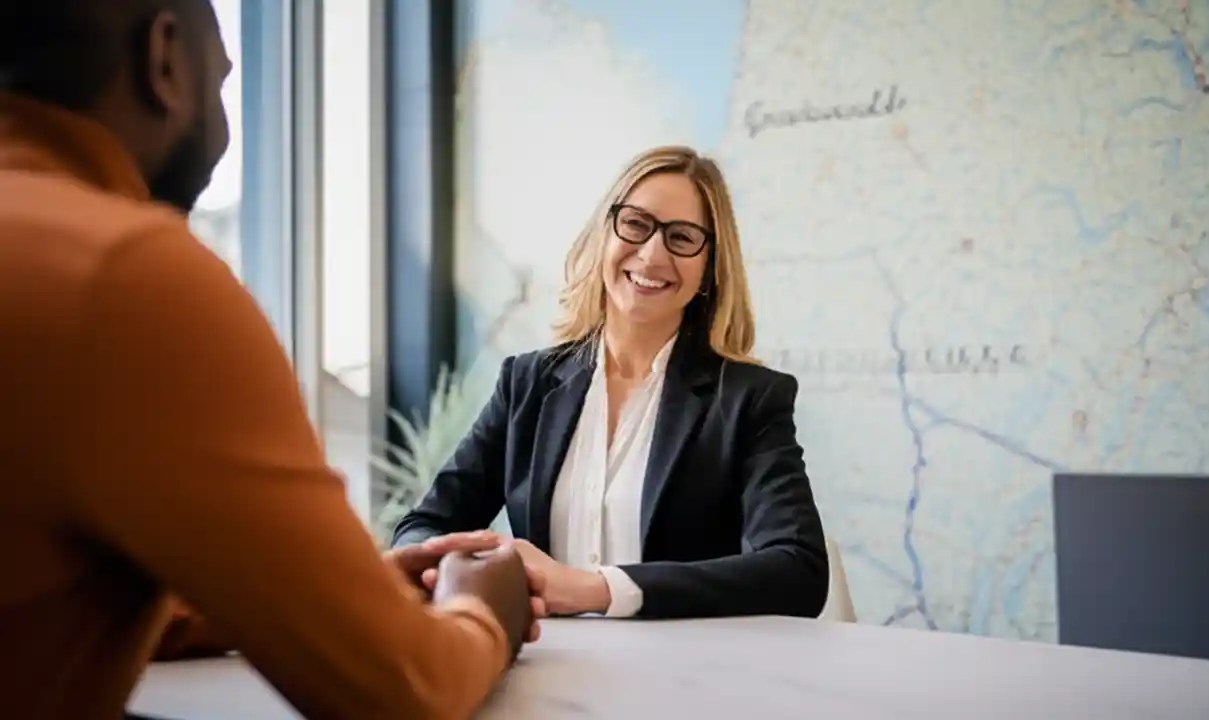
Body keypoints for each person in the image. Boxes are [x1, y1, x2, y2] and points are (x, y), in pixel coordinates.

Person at [0, 1, 541, 717]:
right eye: (224, 81)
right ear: (165, 59)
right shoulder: (123, 273)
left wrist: (330, 595)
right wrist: (485, 610)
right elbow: (406, 692)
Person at [393, 146, 829, 619]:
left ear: (709, 268)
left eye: (682, 237)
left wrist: (596, 589)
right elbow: (426, 525)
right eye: (636, 224)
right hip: (546, 657)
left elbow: (798, 570)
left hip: (688, 663)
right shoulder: (527, 384)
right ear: (604, 234)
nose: (653, 254)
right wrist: (438, 569)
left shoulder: (750, 400)